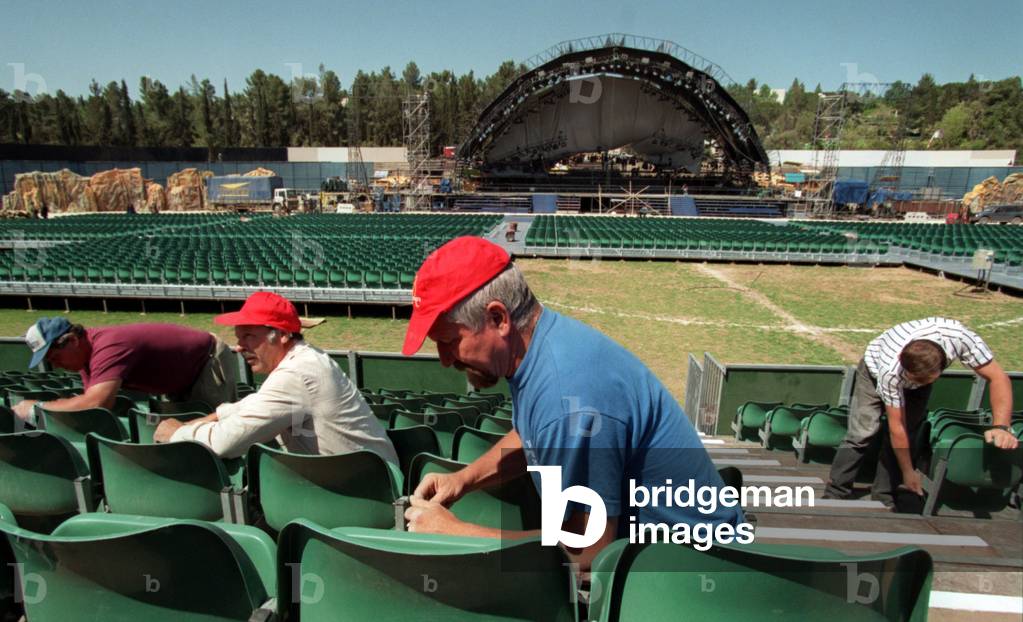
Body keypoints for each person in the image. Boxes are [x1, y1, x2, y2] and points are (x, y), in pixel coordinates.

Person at [400, 237, 741, 569]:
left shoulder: (568, 394)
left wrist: (457, 533)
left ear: (498, 319)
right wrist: (464, 479)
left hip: (697, 574)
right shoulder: (543, 350)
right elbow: (532, 434)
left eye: (449, 341)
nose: (444, 359)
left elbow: (587, 554)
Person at [154, 291, 398, 464]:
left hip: (363, 492)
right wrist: (217, 415)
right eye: (239, 338)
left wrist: (177, 433)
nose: (239, 347)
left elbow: (224, 444)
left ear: (281, 335)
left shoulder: (296, 373)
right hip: (359, 481)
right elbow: (264, 401)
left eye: (248, 336)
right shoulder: (303, 359)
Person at [823, 317, 1017, 506]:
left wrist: (1001, 426)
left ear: (940, 368)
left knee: (908, 433)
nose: (911, 384)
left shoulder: (960, 338)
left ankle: (883, 496)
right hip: (873, 373)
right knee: (861, 432)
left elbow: (999, 378)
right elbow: (895, 427)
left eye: (920, 381)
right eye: (911, 378)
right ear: (901, 360)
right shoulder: (891, 371)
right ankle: (836, 492)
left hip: (918, 376)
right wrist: (908, 472)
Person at [16, 317, 237, 421]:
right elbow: (96, 409)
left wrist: (39, 408)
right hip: (178, 378)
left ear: (72, 341)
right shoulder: (85, 357)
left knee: (215, 427)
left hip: (206, 361)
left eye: (55, 357)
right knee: (184, 427)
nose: (55, 365)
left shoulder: (109, 345)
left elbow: (96, 402)